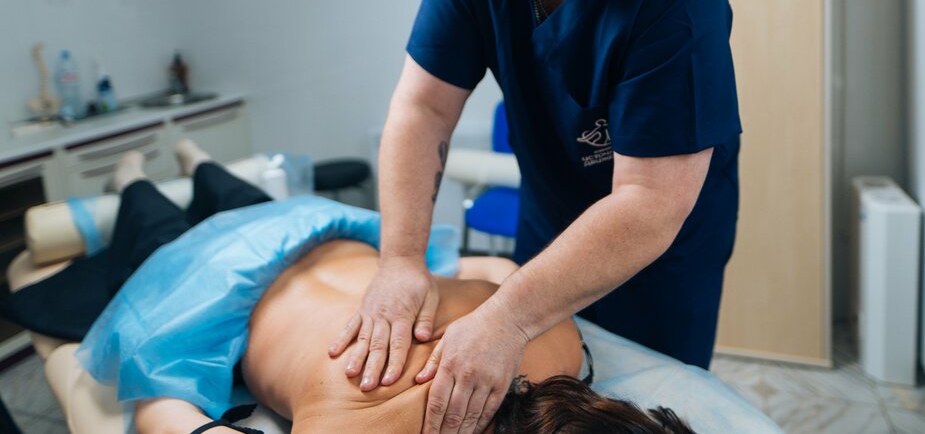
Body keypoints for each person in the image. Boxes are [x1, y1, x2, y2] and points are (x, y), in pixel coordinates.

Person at [332, 0, 742, 434]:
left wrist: (506, 316)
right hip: (550, 221)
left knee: (634, 417)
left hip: (658, 255)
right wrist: (401, 259)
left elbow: (651, 202)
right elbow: (421, 110)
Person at [6, 146, 698, 434]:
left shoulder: (553, 334)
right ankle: (136, 174)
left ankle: (186, 164)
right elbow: (170, 421)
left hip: (315, 229)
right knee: (150, 224)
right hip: (206, 286)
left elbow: (493, 275)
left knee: (227, 201)